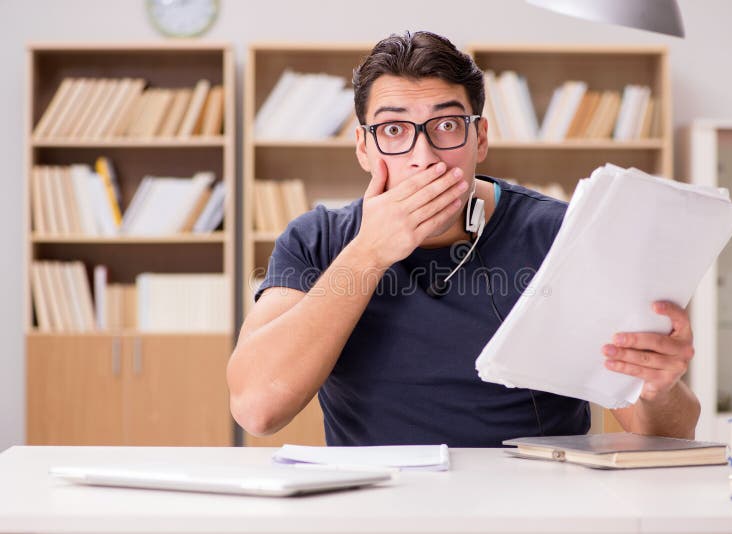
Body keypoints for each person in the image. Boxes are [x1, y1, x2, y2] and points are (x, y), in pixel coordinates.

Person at [227, 31, 700, 447]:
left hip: (533, 507)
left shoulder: (562, 234)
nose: (424, 157)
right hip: (373, 508)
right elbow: (256, 410)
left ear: (480, 140)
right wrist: (369, 252)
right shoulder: (317, 240)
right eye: (393, 130)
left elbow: (667, 434)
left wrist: (658, 387)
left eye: (447, 126)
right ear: (364, 148)